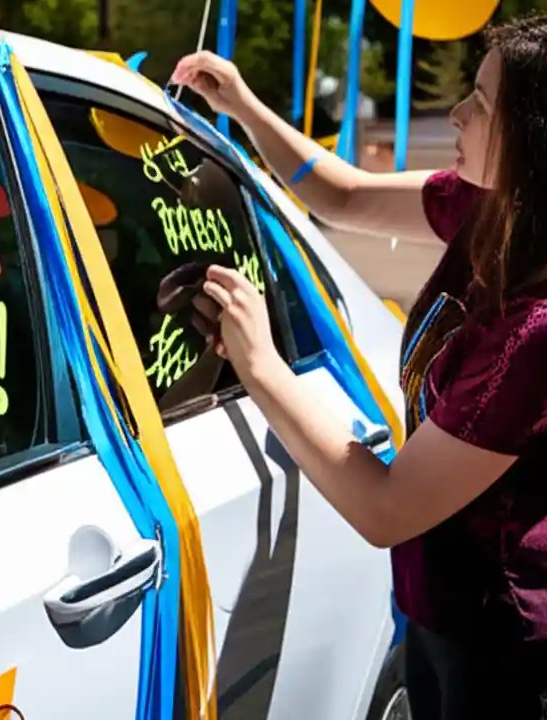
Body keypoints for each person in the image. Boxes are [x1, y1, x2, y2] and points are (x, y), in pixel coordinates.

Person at [172, 16, 547, 719]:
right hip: (440, 615)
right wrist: (243, 106)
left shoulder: (534, 331)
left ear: (533, 143)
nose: (459, 113)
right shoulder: (489, 209)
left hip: (500, 654)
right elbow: (341, 197)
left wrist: (261, 367)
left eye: (482, 103)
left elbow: (386, 508)